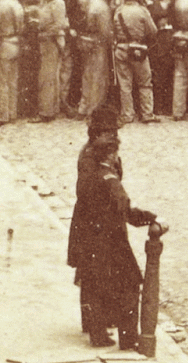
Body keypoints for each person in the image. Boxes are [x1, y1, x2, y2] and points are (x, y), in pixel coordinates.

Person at [67, 108, 163, 349]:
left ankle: (96, 326)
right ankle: (122, 337)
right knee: (121, 282)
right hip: (102, 228)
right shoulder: (95, 164)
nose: (115, 138)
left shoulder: (99, 157)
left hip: (96, 225)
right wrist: (149, 217)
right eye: (109, 133)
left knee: (93, 276)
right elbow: (120, 205)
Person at [112, 0, 159, 126]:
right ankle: (146, 114)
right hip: (138, 49)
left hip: (120, 48)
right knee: (144, 82)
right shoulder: (142, 10)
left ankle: (127, 114)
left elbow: (113, 29)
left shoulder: (118, 11)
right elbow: (153, 31)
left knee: (125, 84)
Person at [31, 0, 71, 123]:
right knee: (47, 77)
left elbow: (59, 24)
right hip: (44, 39)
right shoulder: (44, 0)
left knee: (48, 77)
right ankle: (50, 109)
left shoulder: (58, 3)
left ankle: (46, 112)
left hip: (52, 41)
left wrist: (46, 33)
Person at [74, 0, 114, 119]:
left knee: (89, 75)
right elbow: (105, 31)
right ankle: (92, 109)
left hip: (91, 41)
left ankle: (85, 108)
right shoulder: (98, 5)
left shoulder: (94, 6)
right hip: (97, 43)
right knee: (97, 76)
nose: (79, 1)